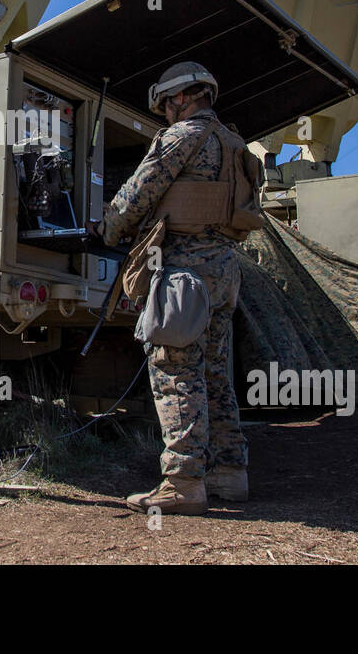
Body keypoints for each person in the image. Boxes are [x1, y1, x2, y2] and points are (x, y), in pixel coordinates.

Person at [94, 61, 250, 515]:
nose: (165, 114)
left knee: (175, 369)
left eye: (166, 104)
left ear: (183, 96)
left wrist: (107, 228)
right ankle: (229, 473)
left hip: (185, 271)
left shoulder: (183, 137)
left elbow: (138, 193)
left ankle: (183, 482)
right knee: (216, 374)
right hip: (224, 270)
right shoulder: (235, 144)